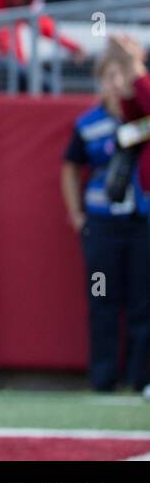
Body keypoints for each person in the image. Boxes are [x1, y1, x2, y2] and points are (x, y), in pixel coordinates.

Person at [60, 49, 150, 392]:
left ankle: (141, 378)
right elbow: (70, 167)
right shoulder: (88, 124)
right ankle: (104, 378)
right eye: (108, 77)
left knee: (143, 302)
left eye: (120, 76)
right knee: (103, 300)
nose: (115, 85)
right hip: (101, 225)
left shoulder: (141, 118)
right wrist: (77, 215)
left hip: (140, 221)